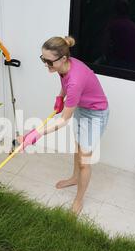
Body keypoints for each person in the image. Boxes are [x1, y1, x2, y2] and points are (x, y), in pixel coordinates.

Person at [17, 36, 110, 215]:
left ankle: (79, 199)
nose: (46, 65)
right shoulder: (63, 67)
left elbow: (63, 120)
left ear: (63, 59)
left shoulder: (75, 80)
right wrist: (60, 97)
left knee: (85, 161)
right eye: (43, 60)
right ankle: (75, 178)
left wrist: (35, 134)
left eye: (49, 62)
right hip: (82, 108)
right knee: (78, 147)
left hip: (96, 114)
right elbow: (65, 83)